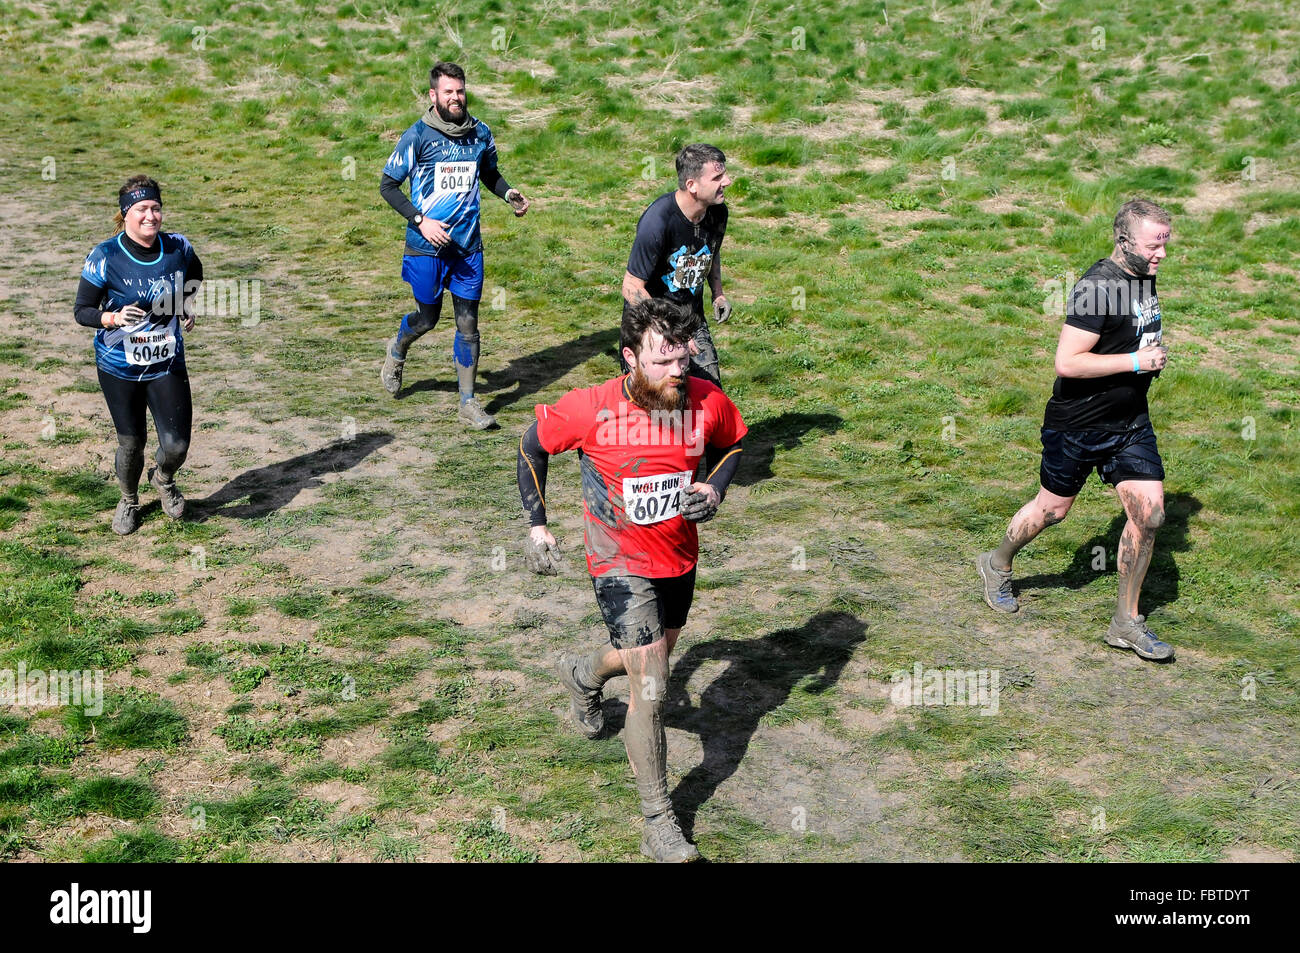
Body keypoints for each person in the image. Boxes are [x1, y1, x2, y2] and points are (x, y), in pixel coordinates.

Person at [516, 298, 747, 861]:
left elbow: (735, 444)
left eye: (683, 359)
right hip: (616, 558)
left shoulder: (705, 400)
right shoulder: (590, 408)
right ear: (629, 357)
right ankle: (658, 821)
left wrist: (713, 489)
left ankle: (581, 675)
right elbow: (530, 445)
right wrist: (538, 526)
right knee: (653, 684)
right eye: (663, 360)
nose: (677, 371)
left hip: (677, 557)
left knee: (654, 654)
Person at [977, 199, 1174, 661]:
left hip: (1129, 422)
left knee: (1151, 515)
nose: (1162, 255)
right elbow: (1067, 362)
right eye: (1153, 246)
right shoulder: (1096, 288)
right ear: (1124, 241)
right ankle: (997, 562)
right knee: (1052, 510)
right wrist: (1135, 361)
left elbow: (1130, 330)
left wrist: (1148, 353)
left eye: (1165, 245)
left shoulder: (1142, 274)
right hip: (1078, 425)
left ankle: (1126, 623)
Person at [379, 60, 530, 428]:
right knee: (427, 319)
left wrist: (507, 192)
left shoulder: (480, 133)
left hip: (467, 247)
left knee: (468, 322)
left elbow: (489, 172)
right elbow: (387, 185)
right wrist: (421, 220)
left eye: (460, 90)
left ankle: (468, 402)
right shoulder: (417, 136)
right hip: (426, 247)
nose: (456, 98)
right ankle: (398, 346)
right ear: (434, 95)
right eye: (448, 91)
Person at [75, 174, 202, 535]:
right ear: (125, 214)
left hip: (166, 363)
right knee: (132, 442)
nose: (151, 216)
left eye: (156, 208)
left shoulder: (178, 247)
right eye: (142, 209)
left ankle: (163, 478)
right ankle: (129, 500)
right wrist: (111, 317)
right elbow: (82, 309)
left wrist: (185, 302)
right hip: (119, 368)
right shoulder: (106, 256)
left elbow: (194, 274)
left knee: (176, 445)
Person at [621, 143, 732, 387]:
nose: (727, 181)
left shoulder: (717, 213)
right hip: (649, 325)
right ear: (692, 185)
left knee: (708, 394)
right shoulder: (658, 221)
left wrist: (718, 294)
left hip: (691, 320)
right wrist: (669, 331)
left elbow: (711, 251)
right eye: (717, 177)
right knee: (653, 404)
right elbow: (630, 286)